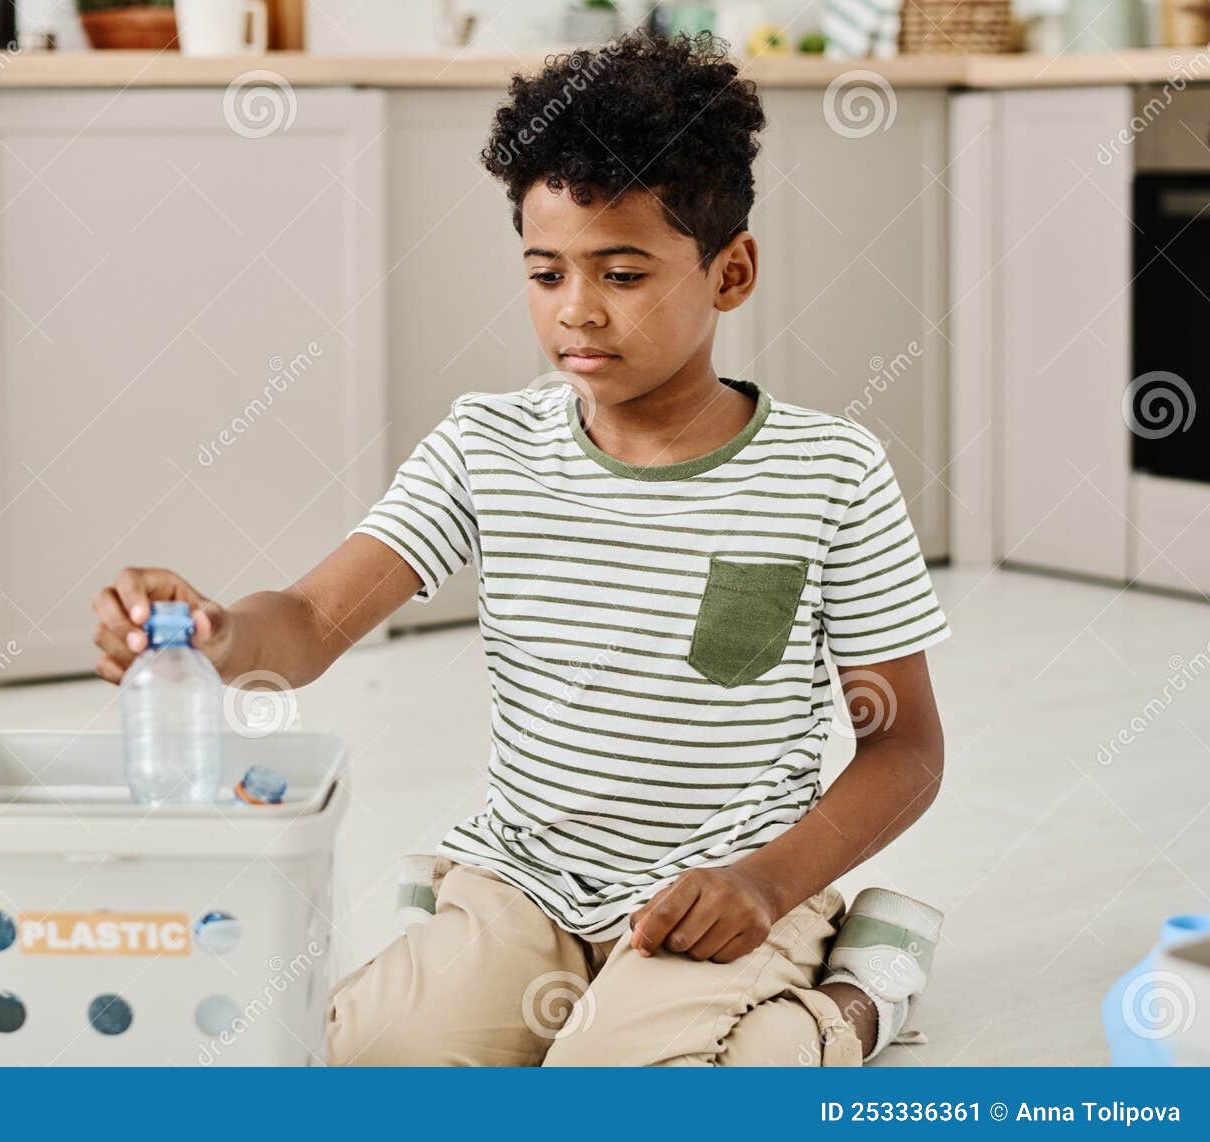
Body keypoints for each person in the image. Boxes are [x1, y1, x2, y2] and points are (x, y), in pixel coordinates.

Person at [93, 31, 949, 1067]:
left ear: (732, 272)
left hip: (730, 885)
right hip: (528, 877)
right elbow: (314, 620)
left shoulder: (830, 471)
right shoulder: (484, 445)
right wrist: (219, 633)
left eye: (623, 273)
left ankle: (857, 991)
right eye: (546, 273)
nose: (576, 310)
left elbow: (903, 748)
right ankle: (460, 922)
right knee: (364, 1063)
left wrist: (767, 883)